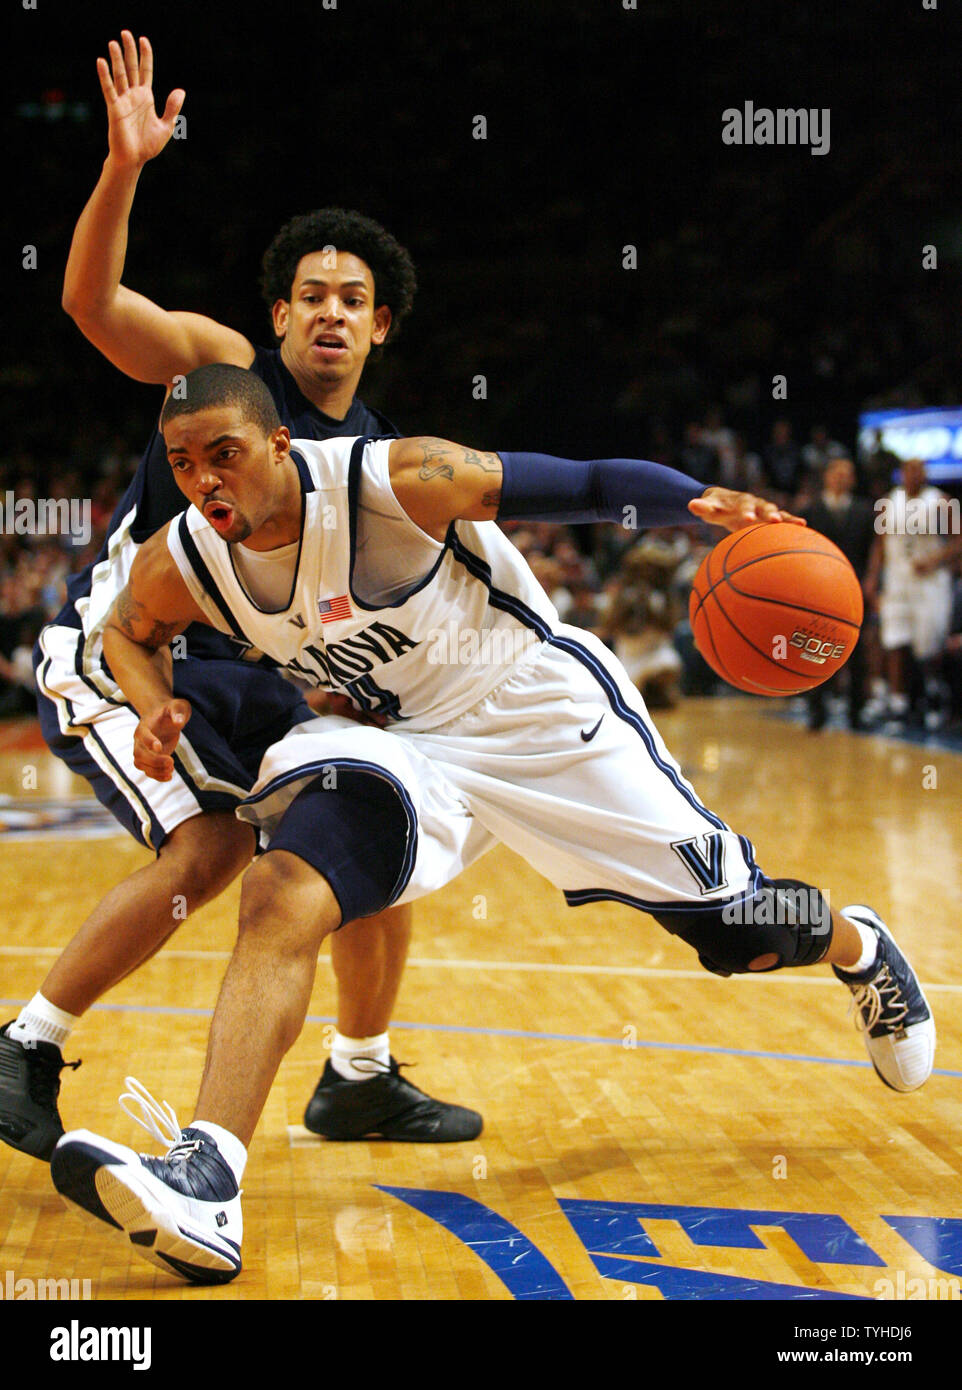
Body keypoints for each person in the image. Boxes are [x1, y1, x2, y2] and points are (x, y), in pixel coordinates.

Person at [50, 365, 935, 1284]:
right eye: (185, 464)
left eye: (224, 456)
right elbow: (127, 631)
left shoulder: (394, 481)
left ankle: (855, 946)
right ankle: (208, 1181)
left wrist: (703, 502)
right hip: (409, 746)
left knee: (734, 932)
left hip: (536, 713)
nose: (203, 483)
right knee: (281, 890)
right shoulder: (185, 553)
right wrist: (152, 705)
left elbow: (588, 486)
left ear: (280, 444)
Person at [0, 31, 481, 1162]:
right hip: (119, 643)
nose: (326, 312)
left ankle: (358, 1075)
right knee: (210, 851)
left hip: (242, 679)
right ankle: (25, 1043)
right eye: (307, 294)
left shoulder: (377, 461)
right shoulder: (227, 371)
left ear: (379, 326)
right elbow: (90, 302)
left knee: (373, 805)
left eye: (349, 299)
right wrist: (124, 167)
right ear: (274, 318)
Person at [864, 457, 954, 731]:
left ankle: (934, 699)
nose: (913, 473)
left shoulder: (942, 501)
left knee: (929, 644)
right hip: (897, 580)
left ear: (925, 473)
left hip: (930, 580)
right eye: (908, 469)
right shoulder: (888, 502)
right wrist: (872, 577)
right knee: (894, 641)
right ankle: (897, 705)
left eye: (918, 469)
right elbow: (879, 544)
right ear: (901, 473)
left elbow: (959, 541)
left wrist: (936, 558)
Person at [801, 456, 876, 731]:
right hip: (819, 589)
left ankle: (856, 714)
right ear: (827, 476)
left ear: (853, 479)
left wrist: (871, 578)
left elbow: (875, 549)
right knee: (814, 651)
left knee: (857, 654)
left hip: (853, 589)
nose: (842, 477)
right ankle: (816, 711)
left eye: (848, 473)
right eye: (837, 472)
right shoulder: (810, 509)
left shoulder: (865, 510)